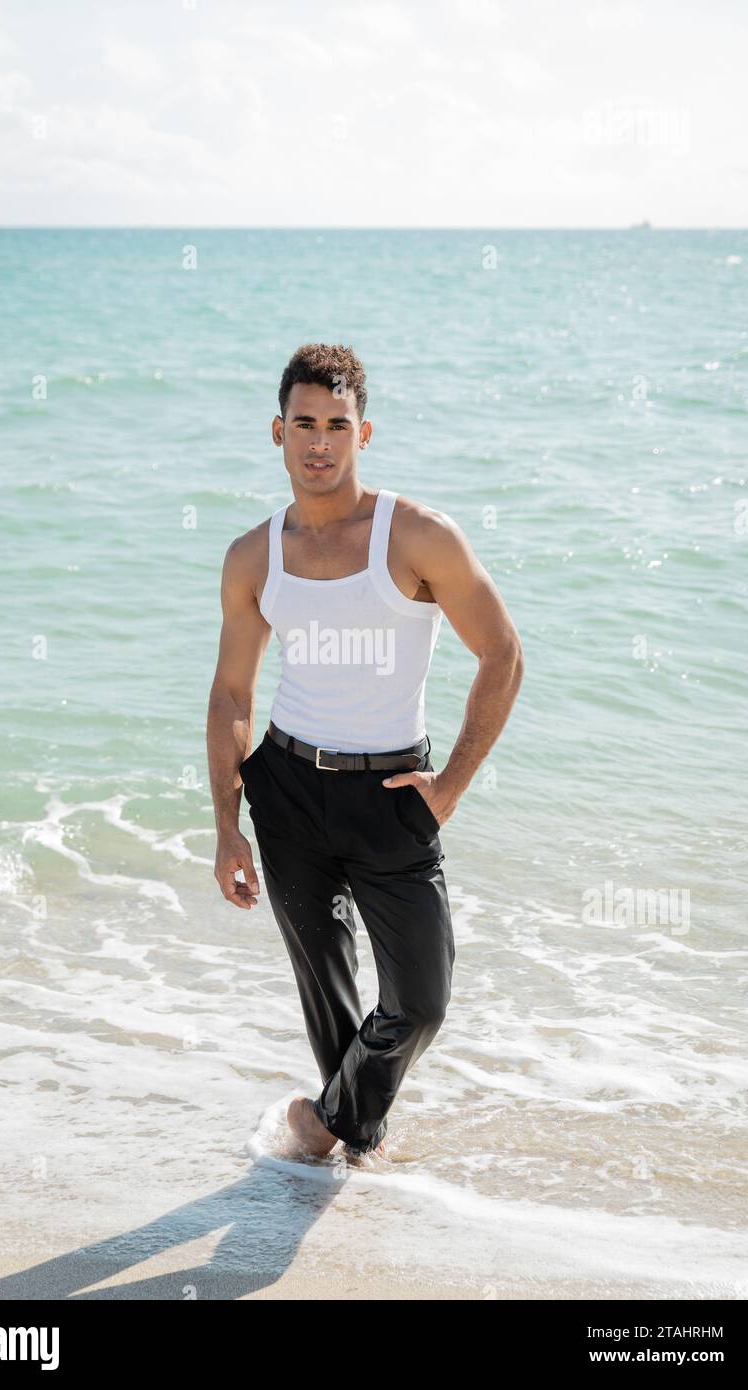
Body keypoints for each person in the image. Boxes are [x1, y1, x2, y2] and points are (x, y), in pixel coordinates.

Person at [207, 343, 524, 1161]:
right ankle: (356, 1152)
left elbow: (503, 654)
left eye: (337, 425)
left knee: (420, 1000)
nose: (320, 441)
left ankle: (322, 1125)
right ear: (277, 432)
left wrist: (450, 785)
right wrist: (228, 826)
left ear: (364, 433)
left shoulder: (416, 535)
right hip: (286, 791)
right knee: (331, 997)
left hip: (392, 793)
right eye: (304, 424)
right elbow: (232, 695)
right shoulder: (253, 555)